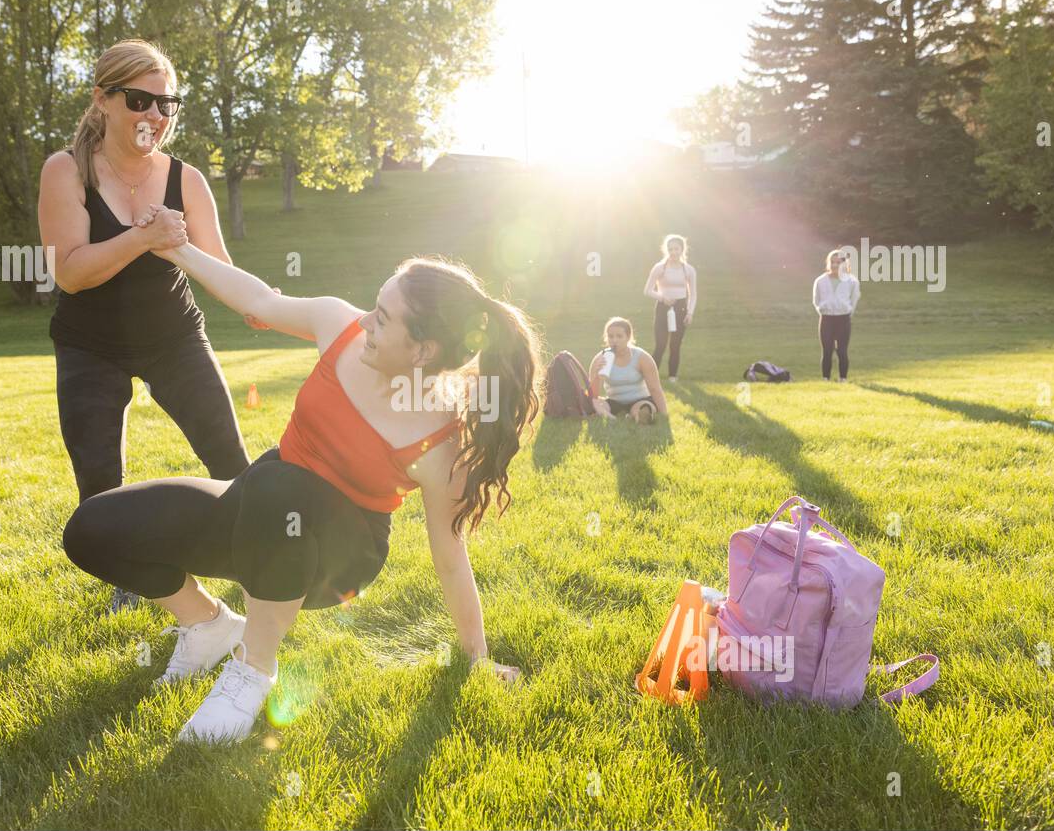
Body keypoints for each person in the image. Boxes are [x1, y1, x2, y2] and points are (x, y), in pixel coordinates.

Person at [61, 226, 539, 744]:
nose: (366, 321)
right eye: (374, 306)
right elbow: (259, 299)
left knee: (277, 485)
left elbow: (450, 558)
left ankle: (251, 671)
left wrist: (477, 657)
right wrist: (174, 247)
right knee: (91, 530)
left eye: (382, 318)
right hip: (263, 500)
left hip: (340, 552)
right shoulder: (339, 326)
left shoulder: (439, 440)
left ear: (422, 351)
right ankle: (208, 626)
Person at [37, 39, 262, 613]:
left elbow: (217, 266)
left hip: (173, 338)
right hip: (90, 346)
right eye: (140, 101)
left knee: (228, 456)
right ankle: (135, 582)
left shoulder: (186, 179)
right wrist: (144, 236)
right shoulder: (66, 171)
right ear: (103, 100)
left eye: (166, 104)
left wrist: (261, 304)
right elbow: (71, 273)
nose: (154, 116)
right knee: (98, 481)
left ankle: (261, 562)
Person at [588, 317, 668, 423]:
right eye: (611, 336)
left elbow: (654, 388)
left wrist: (664, 414)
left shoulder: (641, 357)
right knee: (594, 403)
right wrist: (597, 376)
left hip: (640, 400)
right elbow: (593, 395)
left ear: (628, 337)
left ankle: (640, 414)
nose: (614, 340)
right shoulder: (600, 358)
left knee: (645, 406)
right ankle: (612, 419)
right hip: (614, 401)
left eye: (619, 336)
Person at [643, 234, 697, 382]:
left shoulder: (688, 270)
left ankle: (673, 377)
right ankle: (650, 377)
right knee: (660, 344)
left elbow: (693, 294)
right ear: (666, 250)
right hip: (663, 308)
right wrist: (662, 298)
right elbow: (647, 290)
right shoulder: (659, 268)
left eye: (676, 249)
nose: (673, 252)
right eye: (670, 249)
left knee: (675, 345)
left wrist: (690, 313)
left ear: (682, 250)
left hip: (681, 309)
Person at [812, 249, 860, 381]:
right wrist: (823, 311)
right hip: (826, 319)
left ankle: (843, 378)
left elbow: (854, 300)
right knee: (827, 351)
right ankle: (825, 378)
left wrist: (846, 313)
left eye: (838, 262)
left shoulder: (852, 281)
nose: (834, 265)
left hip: (843, 319)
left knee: (842, 351)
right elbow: (816, 300)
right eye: (832, 262)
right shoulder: (820, 281)